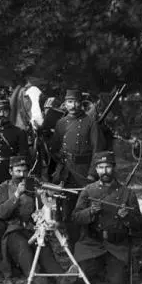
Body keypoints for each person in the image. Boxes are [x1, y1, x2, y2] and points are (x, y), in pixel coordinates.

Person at [0, 156, 75, 284]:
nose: (21, 175)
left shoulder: (34, 185)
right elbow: (1, 213)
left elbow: (45, 208)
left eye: (24, 171)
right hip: (14, 230)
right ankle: (38, 281)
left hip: (33, 229)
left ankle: (61, 280)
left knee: (44, 251)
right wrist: (17, 194)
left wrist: (45, 196)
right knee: (24, 249)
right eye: (17, 171)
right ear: (10, 171)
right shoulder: (3, 187)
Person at [71, 151, 142, 284]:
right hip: (92, 244)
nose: (105, 171)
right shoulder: (88, 191)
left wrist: (127, 216)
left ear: (114, 168)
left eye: (108, 167)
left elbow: (139, 223)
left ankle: (106, 268)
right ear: (96, 169)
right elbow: (75, 217)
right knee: (80, 280)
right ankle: (99, 268)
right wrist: (90, 211)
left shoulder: (127, 193)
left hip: (116, 245)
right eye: (101, 167)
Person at [49, 89, 106, 245]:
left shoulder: (90, 122)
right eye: (69, 102)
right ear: (65, 103)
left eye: (75, 102)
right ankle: (74, 247)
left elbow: (98, 150)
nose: (72, 106)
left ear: (81, 103)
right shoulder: (61, 123)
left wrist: (92, 174)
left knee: (87, 209)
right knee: (68, 212)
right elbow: (53, 149)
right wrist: (61, 162)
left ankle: (90, 245)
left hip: (84, 172)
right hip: (67, 173)